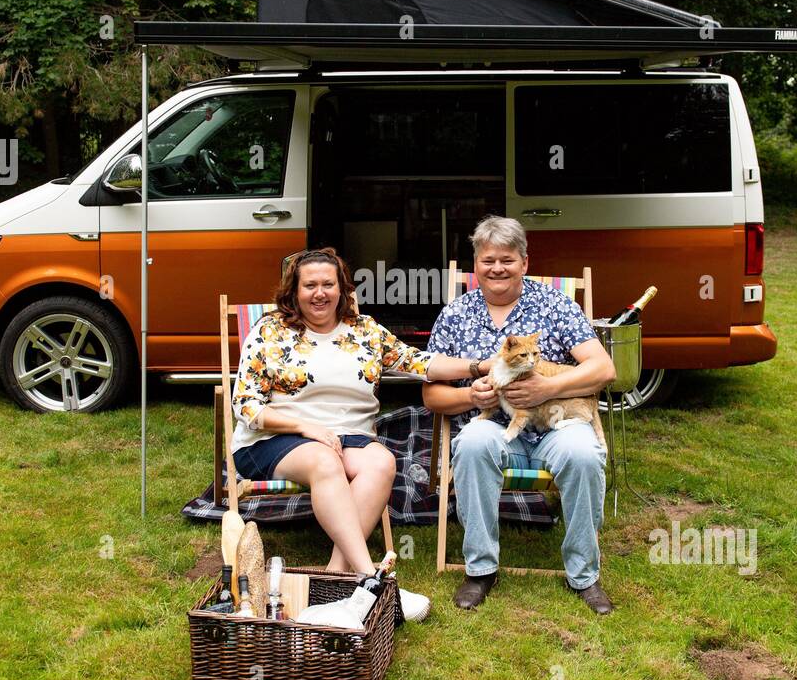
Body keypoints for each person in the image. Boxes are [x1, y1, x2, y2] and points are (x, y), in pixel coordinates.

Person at [231, 248, 489, 622]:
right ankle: (371, 577)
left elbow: (421, 362)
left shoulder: (364, 330)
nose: (320, 293)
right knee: (323, 460)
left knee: (382, 462)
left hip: (349, 435)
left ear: (342, 289)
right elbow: (245, 404)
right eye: (310, 286)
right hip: (275, 436)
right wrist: (305, 426)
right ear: (294, 291)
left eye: (328, 284)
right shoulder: (270, 331)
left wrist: (479, 365)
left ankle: (336, 579)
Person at [423, 216, 618, 614]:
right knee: (473, 444)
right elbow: (431, 395)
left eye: (507, 260)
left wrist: (548, 388)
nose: (497, 268)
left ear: (524, 263)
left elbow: (603, 369)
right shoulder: (455, 314)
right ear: (476, 264)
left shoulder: (554, 304)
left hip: (556, 425)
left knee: (583, 454)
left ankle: (584, 575)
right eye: (488, 260)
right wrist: (471, 399)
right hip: (494, 427)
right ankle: (480, 570)